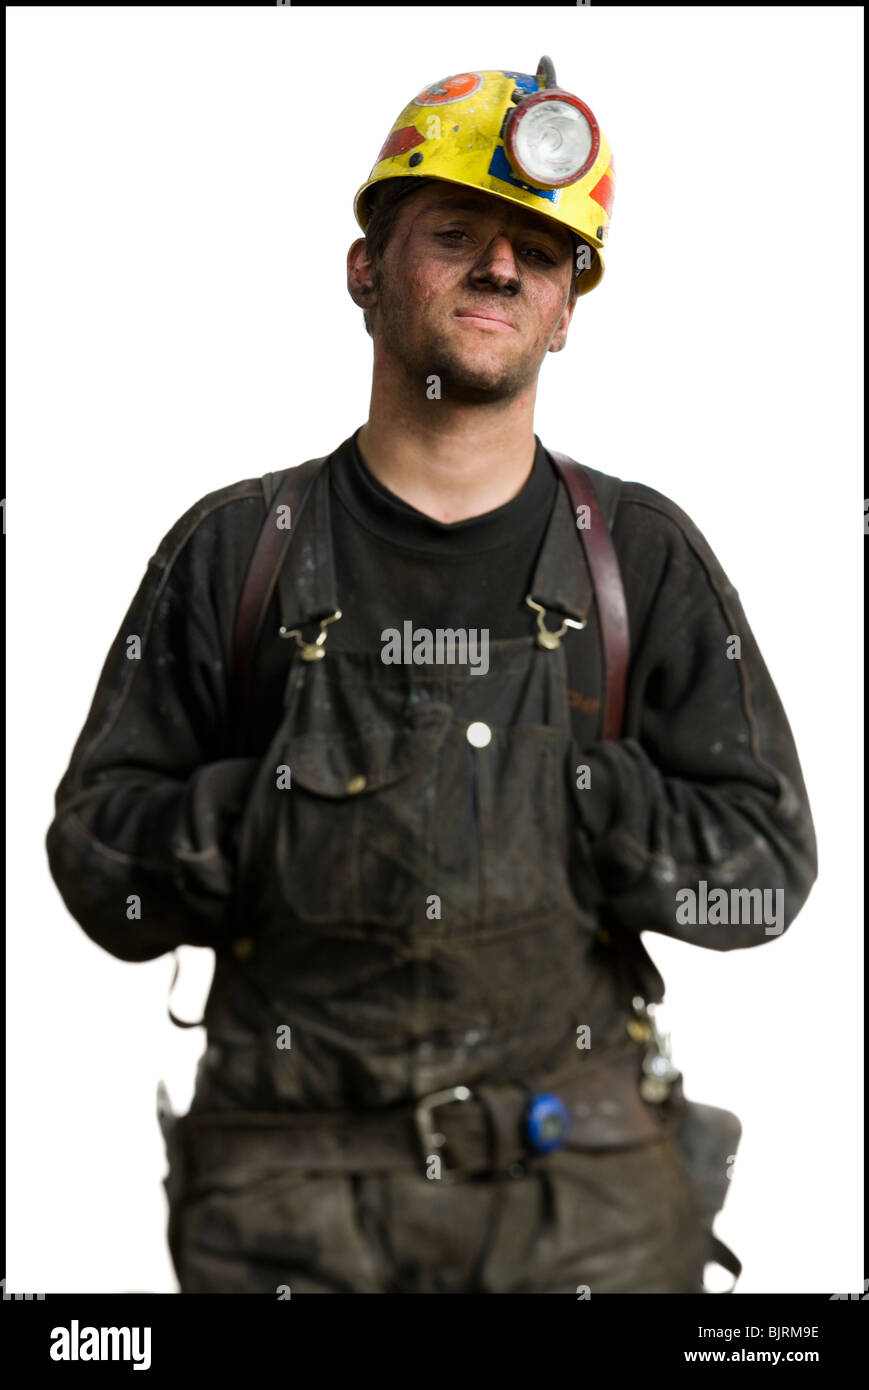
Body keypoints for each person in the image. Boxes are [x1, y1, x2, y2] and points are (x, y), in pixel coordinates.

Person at [46, 57, 817, 1294]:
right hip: (288, 1215)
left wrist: (565, 798)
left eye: (541, 253)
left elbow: (764, 876)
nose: (501, 268)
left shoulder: (639, 559)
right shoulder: (238, 551)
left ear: (566, 309)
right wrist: (275, 822)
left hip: (586, 1217)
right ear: (365, 269)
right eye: (454, 232)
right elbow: (98, 866)